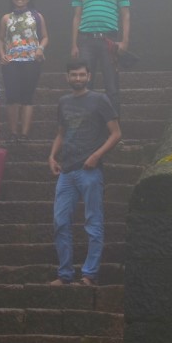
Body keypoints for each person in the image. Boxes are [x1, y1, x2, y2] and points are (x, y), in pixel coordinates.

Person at [48, 60, 122, 287]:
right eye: (74, 75)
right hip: (67, 170)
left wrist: (96, 156)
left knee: (93, 221)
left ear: (89, 76)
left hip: (90, 170)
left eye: (81, 75)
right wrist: (52, 156)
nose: (78, 78)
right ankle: (65, 274)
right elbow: (61, 133)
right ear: (67, 77)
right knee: (60, 221)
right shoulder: (63, 101)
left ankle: (89, 274)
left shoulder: (100, 100)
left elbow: (116, 133)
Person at [70, 0, 131, 111]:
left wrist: (125, 42)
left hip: (109, 40)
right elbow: (77, 16)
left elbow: (125, 14)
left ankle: (114, 126)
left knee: (112, 85)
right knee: (84, 84)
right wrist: (74, 45)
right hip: (86, 40)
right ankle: (86, 124)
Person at [0, 0, 48, 142]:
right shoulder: (6, 18)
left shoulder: (37, 16)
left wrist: (40, 49)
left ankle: (24, 134)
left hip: (31, 61)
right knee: (12, 96)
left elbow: (45, 37)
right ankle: (13, 133)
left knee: (27, 96)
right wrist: (2, 55)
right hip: (11, 62)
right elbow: (0, 39)